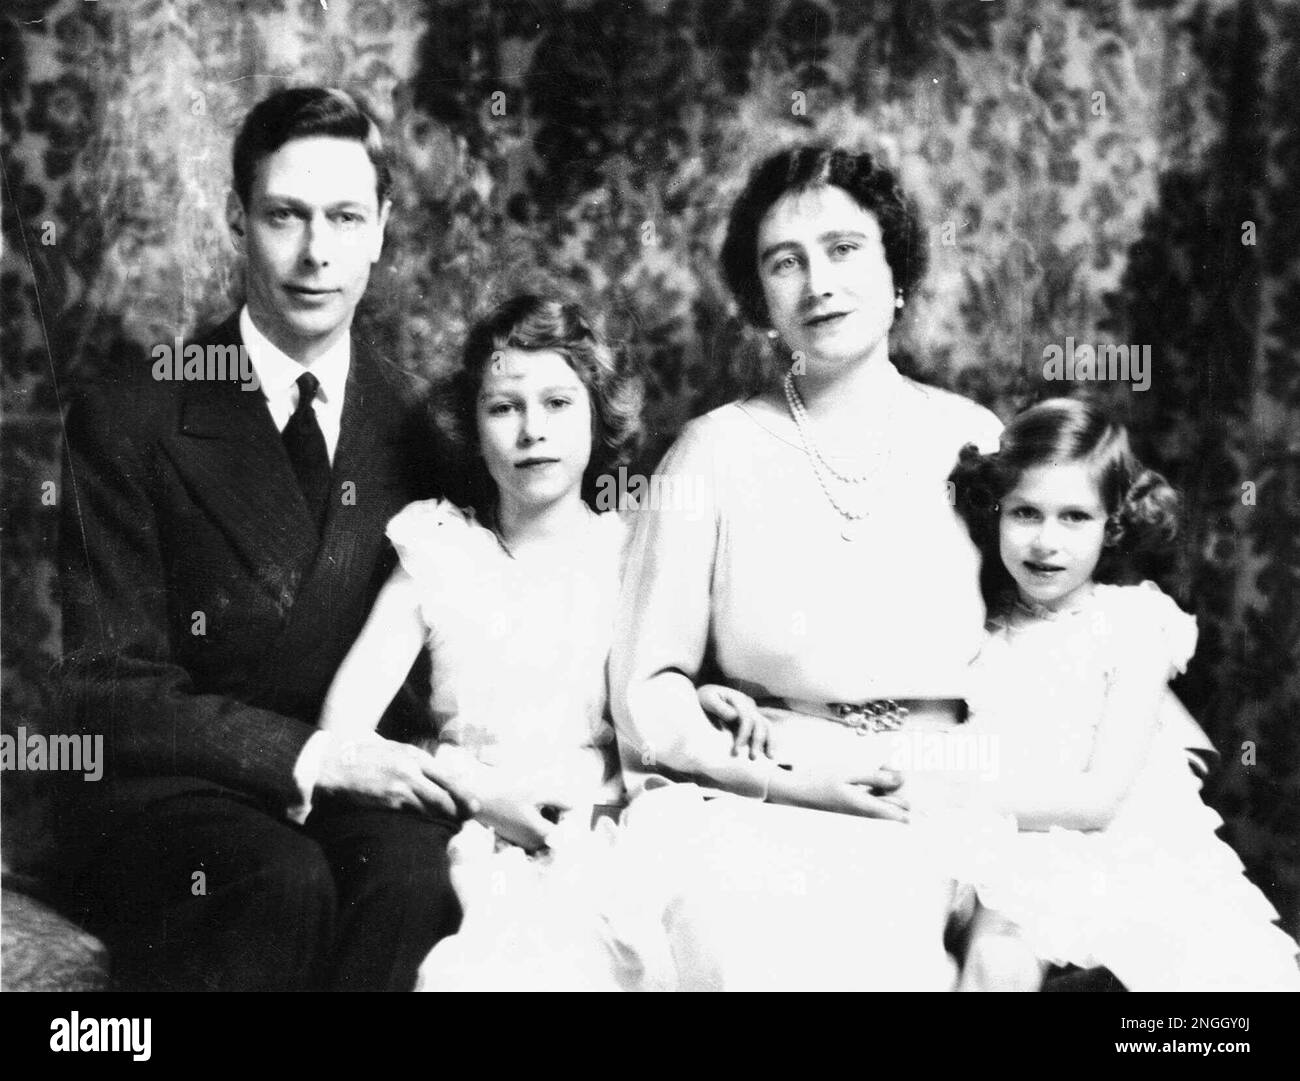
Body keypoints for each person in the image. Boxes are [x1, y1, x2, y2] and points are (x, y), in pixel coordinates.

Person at [57, 87, 463, 991]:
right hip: (175, 789)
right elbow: (105, 691)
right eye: (285, 215)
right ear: (238, 220)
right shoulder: (133, 413)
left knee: (413, 876)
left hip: (357, 779)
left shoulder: (425, 428)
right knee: (273, 879)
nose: (317, 253)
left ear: (382, 229)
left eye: (346, 217)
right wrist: (311, 755)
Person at [609, 144, 1006, 990]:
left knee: (894, 939)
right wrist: (784, 776)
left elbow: (1036, 634)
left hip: (941, 785)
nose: (818, 282)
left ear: (897, 271)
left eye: (844, 249)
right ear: (762, 302)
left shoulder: (975, 439)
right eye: (785, 263)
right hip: (773, 786)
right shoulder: (710, 453)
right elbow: (648, 689)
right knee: (747, 932)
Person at [938, 398, 1300, 992]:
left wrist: (950, 796)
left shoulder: (1134, 626)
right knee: (996, 962)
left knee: (1231, 975)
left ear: (1115, 523)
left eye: (1075, 517)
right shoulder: (978, 624)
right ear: (995, 511)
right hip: (1016, 848)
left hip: (1127, 845)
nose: (1046, 542)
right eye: (1026, 513)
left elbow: (1097, 802)